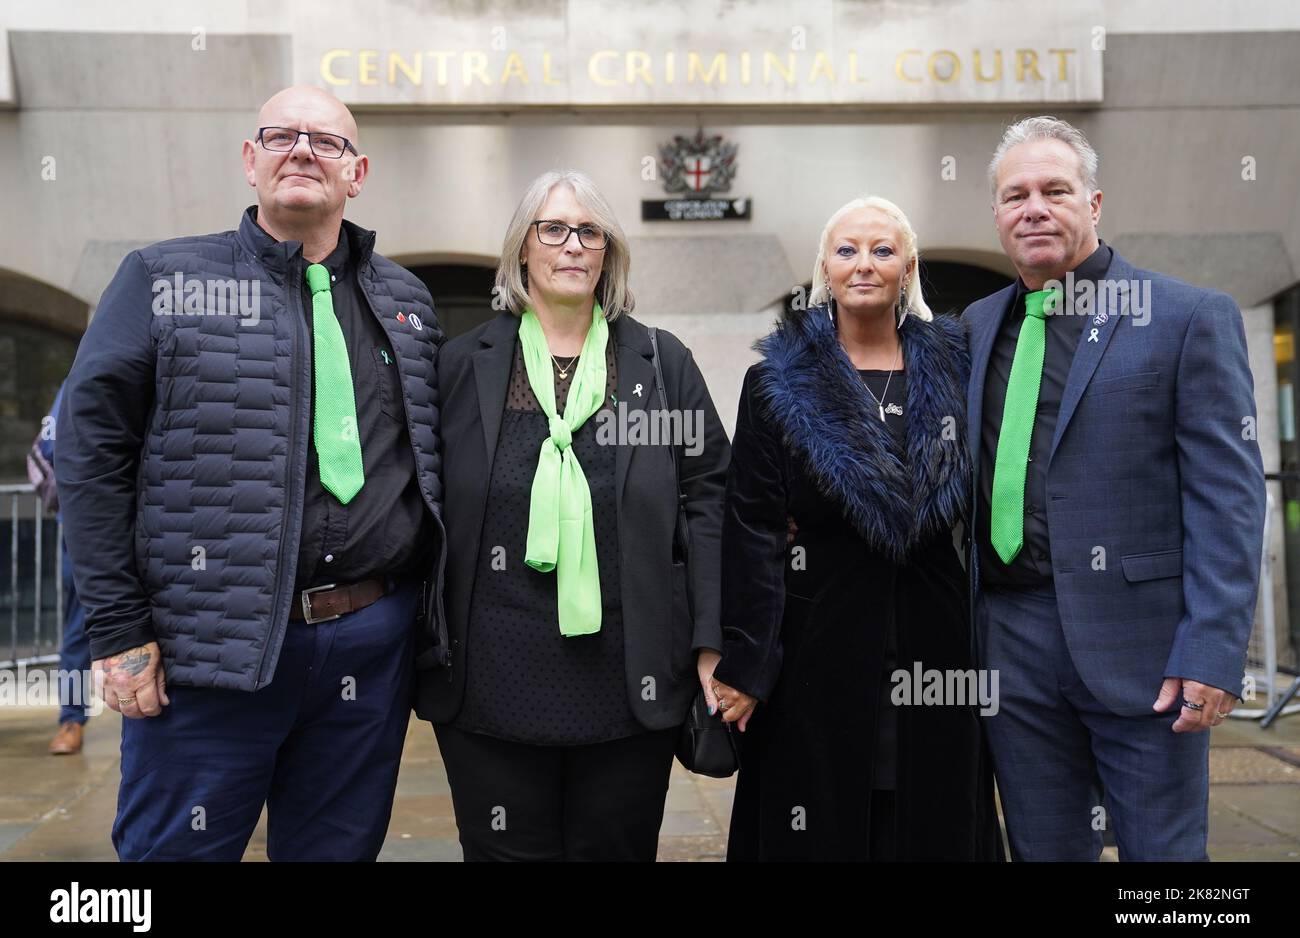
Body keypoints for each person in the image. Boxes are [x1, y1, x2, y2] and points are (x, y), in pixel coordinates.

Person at [55, 85, 448, 861]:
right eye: (281, 136)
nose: (302, 150)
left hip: (368, 653)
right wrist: (118, 630)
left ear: (357, 172)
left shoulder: (406, 302)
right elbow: (91, 458)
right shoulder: (162, 279)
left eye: (326, 142)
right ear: (249, 160)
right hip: (207, 657)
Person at [965, 116, 1266, 860]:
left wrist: (1212, 651)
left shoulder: (1187, 317)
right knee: (1041, 847)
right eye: (1015, 195)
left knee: (1161, 858)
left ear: (1093, 204)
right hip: (1008, 642)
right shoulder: (973, 326)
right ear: (998, 216)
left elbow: (1228, 499)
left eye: (1054, 190)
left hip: (1145, 649)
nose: (1033, 207)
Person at [417, 169, 729, 861]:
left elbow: (710, 495)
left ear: (609, 253)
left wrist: (711, 638)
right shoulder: (463, 365)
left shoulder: (658, 362)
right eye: (552, 229)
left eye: (590, 231)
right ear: (521, 250)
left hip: (630, 676)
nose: (572, 245)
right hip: (488, 682)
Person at [710, 196, 1003, 861]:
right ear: (825, 268)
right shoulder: (774, 385)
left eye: (883, 249)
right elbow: (751, 529)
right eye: (847, 250)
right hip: (816, 648)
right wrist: (747, 662)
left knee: (930, 821)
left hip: (937, 645)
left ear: (909, 267)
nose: (864, 264)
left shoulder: (961, 372)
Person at [28, 383, 92, 754]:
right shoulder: (79, 379)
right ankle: (71, 719)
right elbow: (50, 446)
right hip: (89, 526)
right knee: (79, 627)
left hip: (157, 523)